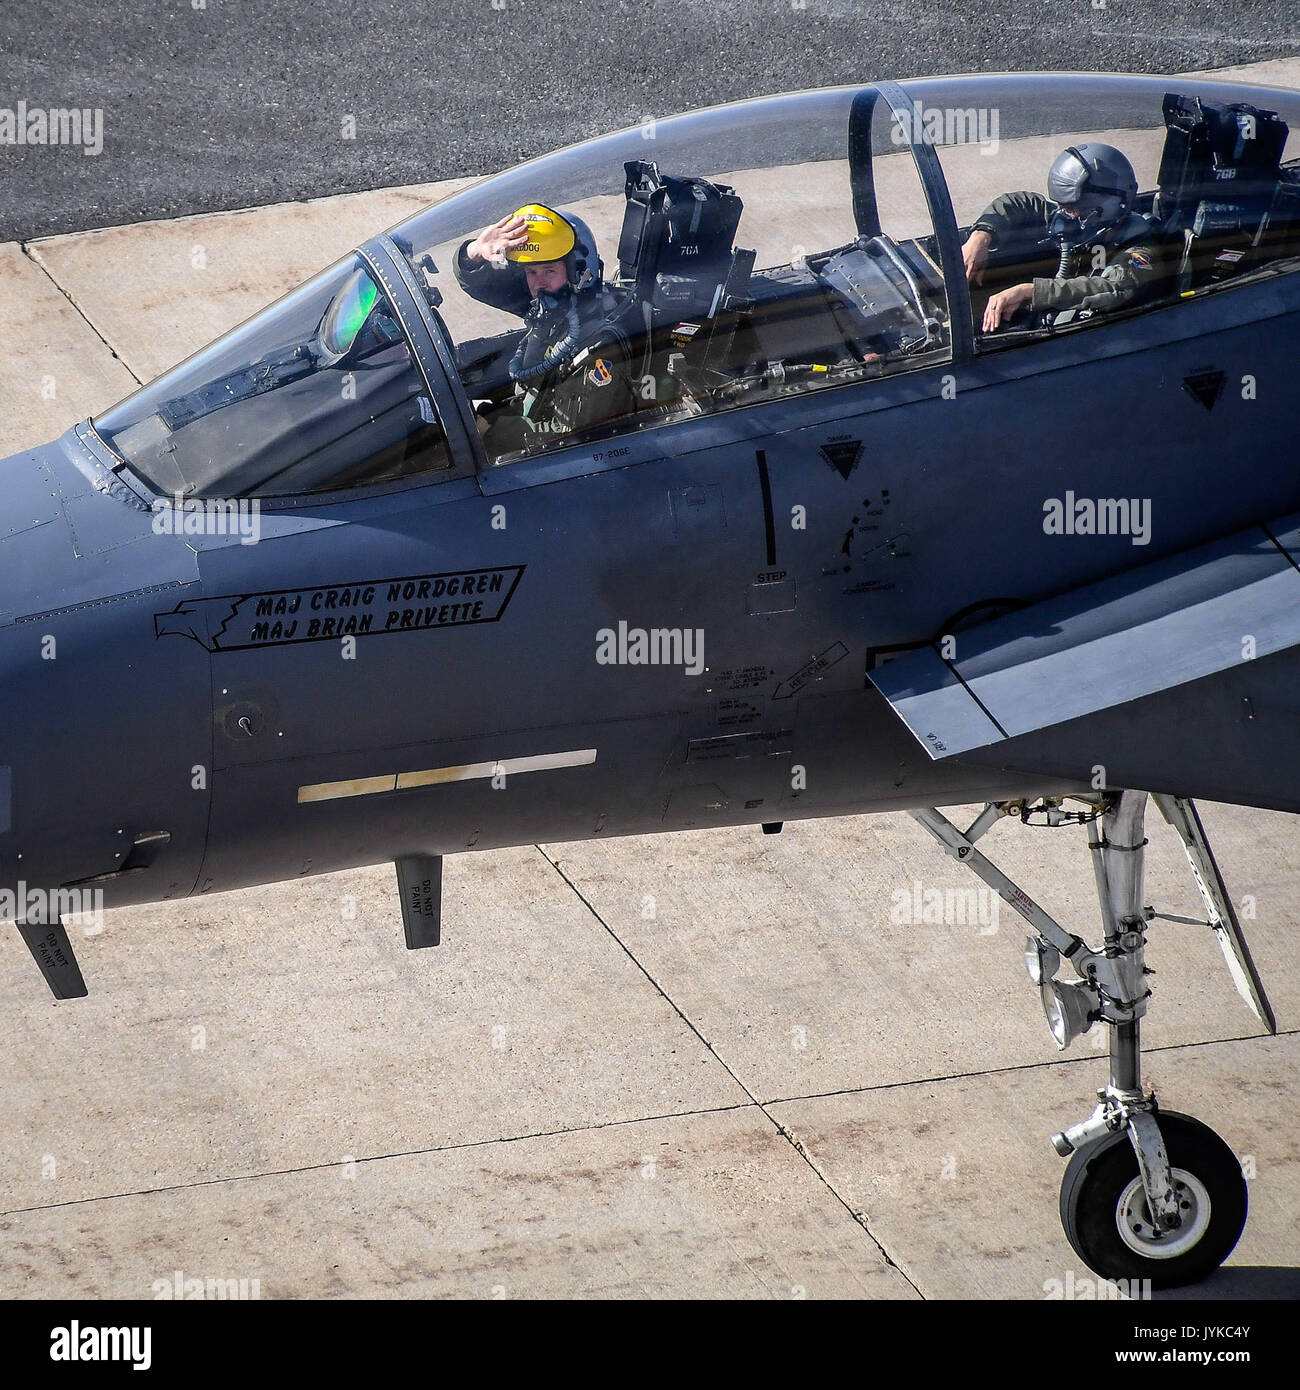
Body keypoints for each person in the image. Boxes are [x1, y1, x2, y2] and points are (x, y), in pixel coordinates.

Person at [453, 205, 636, 455]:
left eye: (549, 270)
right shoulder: (550, 308)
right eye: (531, 272)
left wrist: (489, 431)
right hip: (528, 414)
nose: (538, 284)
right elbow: (481, 283)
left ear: (579, 273)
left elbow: (570, 440)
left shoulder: (600, 347)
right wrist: (475, 252)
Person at [961, 144, 1164, 332]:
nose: (1065, 214)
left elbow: (1112, 288)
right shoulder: (1078, 224)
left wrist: (1030, 291)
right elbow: (1021, 203)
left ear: (1102, 205)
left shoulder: (1141, 252)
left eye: (1072, 206)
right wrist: (981, 236)